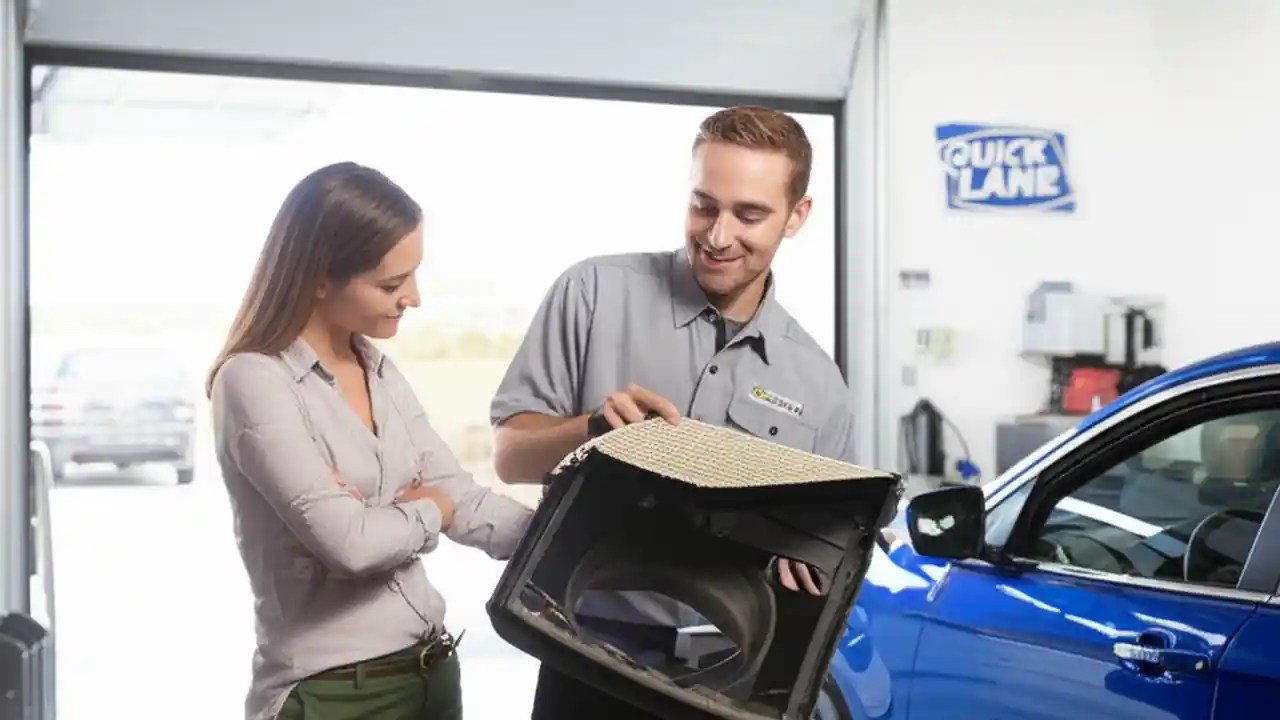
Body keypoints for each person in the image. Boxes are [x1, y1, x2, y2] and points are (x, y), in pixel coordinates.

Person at [489, 105, 858, 719]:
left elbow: (828, 553)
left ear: (798, 216)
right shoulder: (592, 294)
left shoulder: (819, 383)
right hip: (583, 648)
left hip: (730, 673)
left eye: (749, 214)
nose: (717, 235)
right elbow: (508, 458)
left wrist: (812, 551)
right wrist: (594, 432)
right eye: (703, 205)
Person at [207, 161, 533, 720]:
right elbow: (352, 544)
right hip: (334, 694)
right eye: (391, 283)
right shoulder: (255, 381)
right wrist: (430, 509)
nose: (414, 298)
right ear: (318, 275)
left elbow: (460, 496)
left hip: (430, 676)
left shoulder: (378, 370)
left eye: (413, 276)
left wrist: (564, 535)